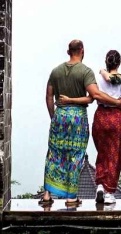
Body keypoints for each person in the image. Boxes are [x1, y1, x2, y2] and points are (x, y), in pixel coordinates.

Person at [41, 39, 99, 209]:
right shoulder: (86, 71)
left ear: (68, 52)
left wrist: (54, 116)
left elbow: (48, 96)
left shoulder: (56, 71)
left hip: (59, 115)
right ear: (82, 50)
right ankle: (71, 197)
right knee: (76, 155)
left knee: (54, 153)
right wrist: (76, 100)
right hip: (78, 118)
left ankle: (47, 194)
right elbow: (92, 96)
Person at [91, 50, 121, 206]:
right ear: (119, 63)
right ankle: (109, 192)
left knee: (102, 152)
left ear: (106, 61)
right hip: (117, 118)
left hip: (101, 116)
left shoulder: (98, 78)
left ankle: (100, 184)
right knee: (115, 155)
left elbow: (94, 96)